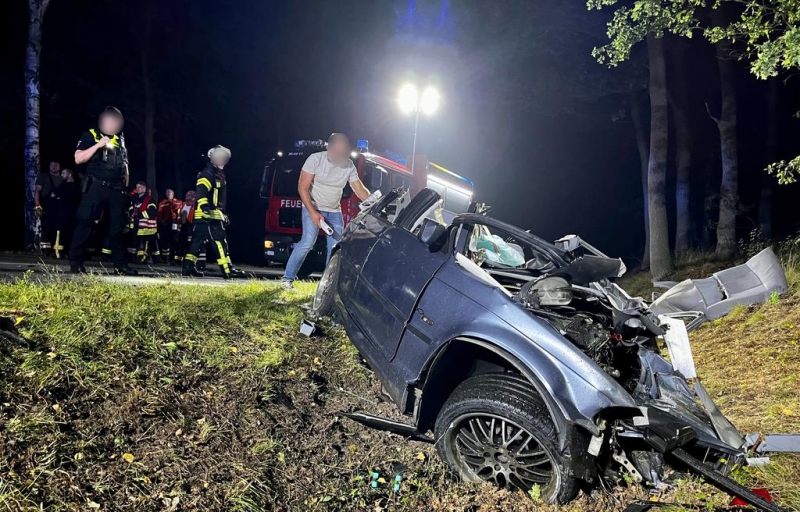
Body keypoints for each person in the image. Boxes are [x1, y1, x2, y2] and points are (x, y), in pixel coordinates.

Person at [281, 133, 371, 289]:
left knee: (335, 247)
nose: (339, 156)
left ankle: (327, 286)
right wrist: (313, 213)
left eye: (343, 153)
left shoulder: (349, 165)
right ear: (328, 148)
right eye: (336, 151)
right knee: (308, 242)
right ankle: (287, 279)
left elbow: (359, 189)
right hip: (312, 206)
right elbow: (302, 188)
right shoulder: (315, 160)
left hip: (334, 211)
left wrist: (374, 202)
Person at [68, 106, 137, 275]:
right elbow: (78, 159)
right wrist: (98, 145)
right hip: (96, 187)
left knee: (117, 227)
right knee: (85, 223)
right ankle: (76, 263)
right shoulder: (91, 135)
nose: (112, 124)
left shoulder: (120, 139)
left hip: (116, 190)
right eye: (109, 120)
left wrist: (126, 188)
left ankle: (120, 266)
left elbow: (125, 165)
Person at [182, 146, 244, 279]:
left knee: (197, 242)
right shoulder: (208, 173)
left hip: (206, 214)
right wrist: (205, 209)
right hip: (209, 214)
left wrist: (223, 214)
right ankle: (227, 270)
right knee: (220, 242)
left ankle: (188, 267)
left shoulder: (217, 174)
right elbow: (201, 192)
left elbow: (220, 199)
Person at [34, 161, 65, 256]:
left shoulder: (63, 177)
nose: (53, 167)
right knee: (46, 228)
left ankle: (56, 250)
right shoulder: (44, 176)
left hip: (60, 205)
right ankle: (45, 250)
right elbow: (37, 191)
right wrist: (37, 205)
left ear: (60, 167)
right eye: (52, 165)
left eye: (56, 165)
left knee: (58, 228)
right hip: (47, 205)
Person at [131, 181, 161, 263]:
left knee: (144, 242)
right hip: (137, 225)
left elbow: (152, 211)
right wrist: (132, 213)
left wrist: (139, 214)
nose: (138, 189)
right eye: (137, 187)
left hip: (147, 227)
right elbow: (131, 209)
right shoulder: (135, 199)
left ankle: (142, 258)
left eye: (140, 187)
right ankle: (155, 258)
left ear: (145, 189)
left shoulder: (150, 199)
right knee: (141, 242)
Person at [157, 189, 183, 264]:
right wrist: (161, 221)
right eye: (167, 193)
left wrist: (180, 222)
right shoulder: (162, 203)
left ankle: (175, 258)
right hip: (166, 224)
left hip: (175, 223)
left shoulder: (179, 202)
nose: (168, 194)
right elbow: (159, 213)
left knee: (175, 240)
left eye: (170, 193)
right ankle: (165, 258)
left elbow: (181, 212)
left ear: (173, 194)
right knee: (165, 241)